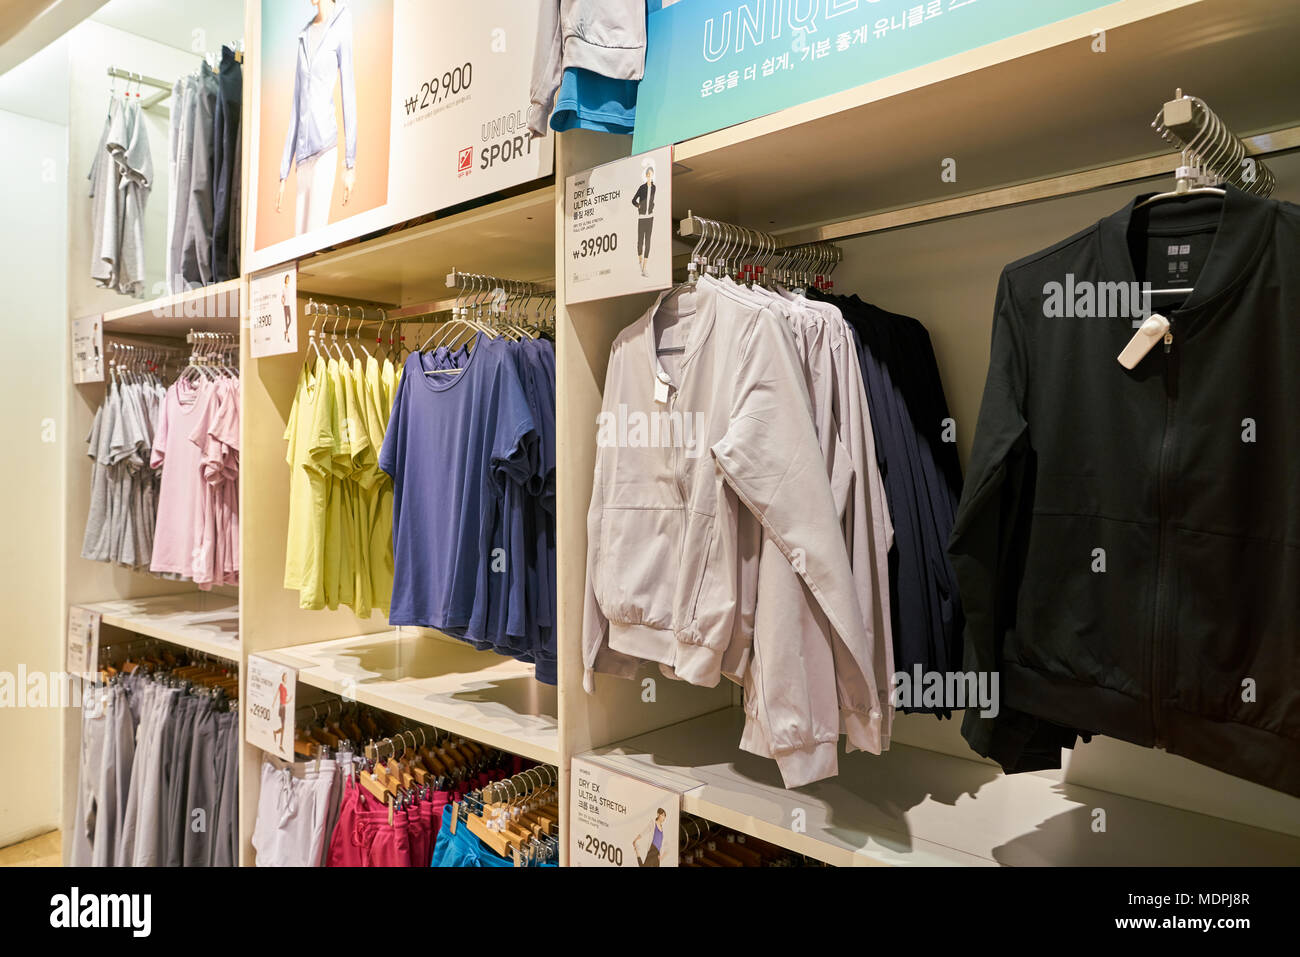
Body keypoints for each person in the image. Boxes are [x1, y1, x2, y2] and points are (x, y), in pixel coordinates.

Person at [277, 0, 358, 235]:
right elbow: (296, 103)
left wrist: (350, 163)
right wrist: (283, 172)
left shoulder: (341, 24)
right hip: (302, 155)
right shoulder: (304, 35)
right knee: (298, 243)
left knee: (314, 236)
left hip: (325, 147)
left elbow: (348, 93)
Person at [632, 159, 656, 277]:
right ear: (646, 175)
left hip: (650, 217)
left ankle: (644, 268)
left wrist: (652, 206)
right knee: (640, 241)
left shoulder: (654, 187)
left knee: (648, 241)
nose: (650, 177)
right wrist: (638, 206)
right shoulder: (642, 187)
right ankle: (639, 264)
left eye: (651, 175)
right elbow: (633, 200)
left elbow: (652, 200)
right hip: (642, 217)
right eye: (648, 174)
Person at [273, 673, 289, 748]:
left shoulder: (286, 687)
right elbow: (277, 695)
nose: (286, 678)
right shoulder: (281, 686)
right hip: (281, 707)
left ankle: (275, 733)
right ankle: (281, 745)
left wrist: (289, 701)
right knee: (283, 726)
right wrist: (273, 703)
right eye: (285, 677)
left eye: (287, 677)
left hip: (284, 707)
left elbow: (285, 701)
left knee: (284, 727)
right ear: (283, 678)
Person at [282, 274, 293, 342]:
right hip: (285, 305)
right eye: (287, 279)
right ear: (285, 279)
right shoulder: (283, 288)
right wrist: (283, 302)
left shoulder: (289, 287)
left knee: (290, 320)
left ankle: (286, 331)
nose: (288, 280)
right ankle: (287, 336)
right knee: (286, 321)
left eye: (288, 279)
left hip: (288, 305)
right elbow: (282, 297)